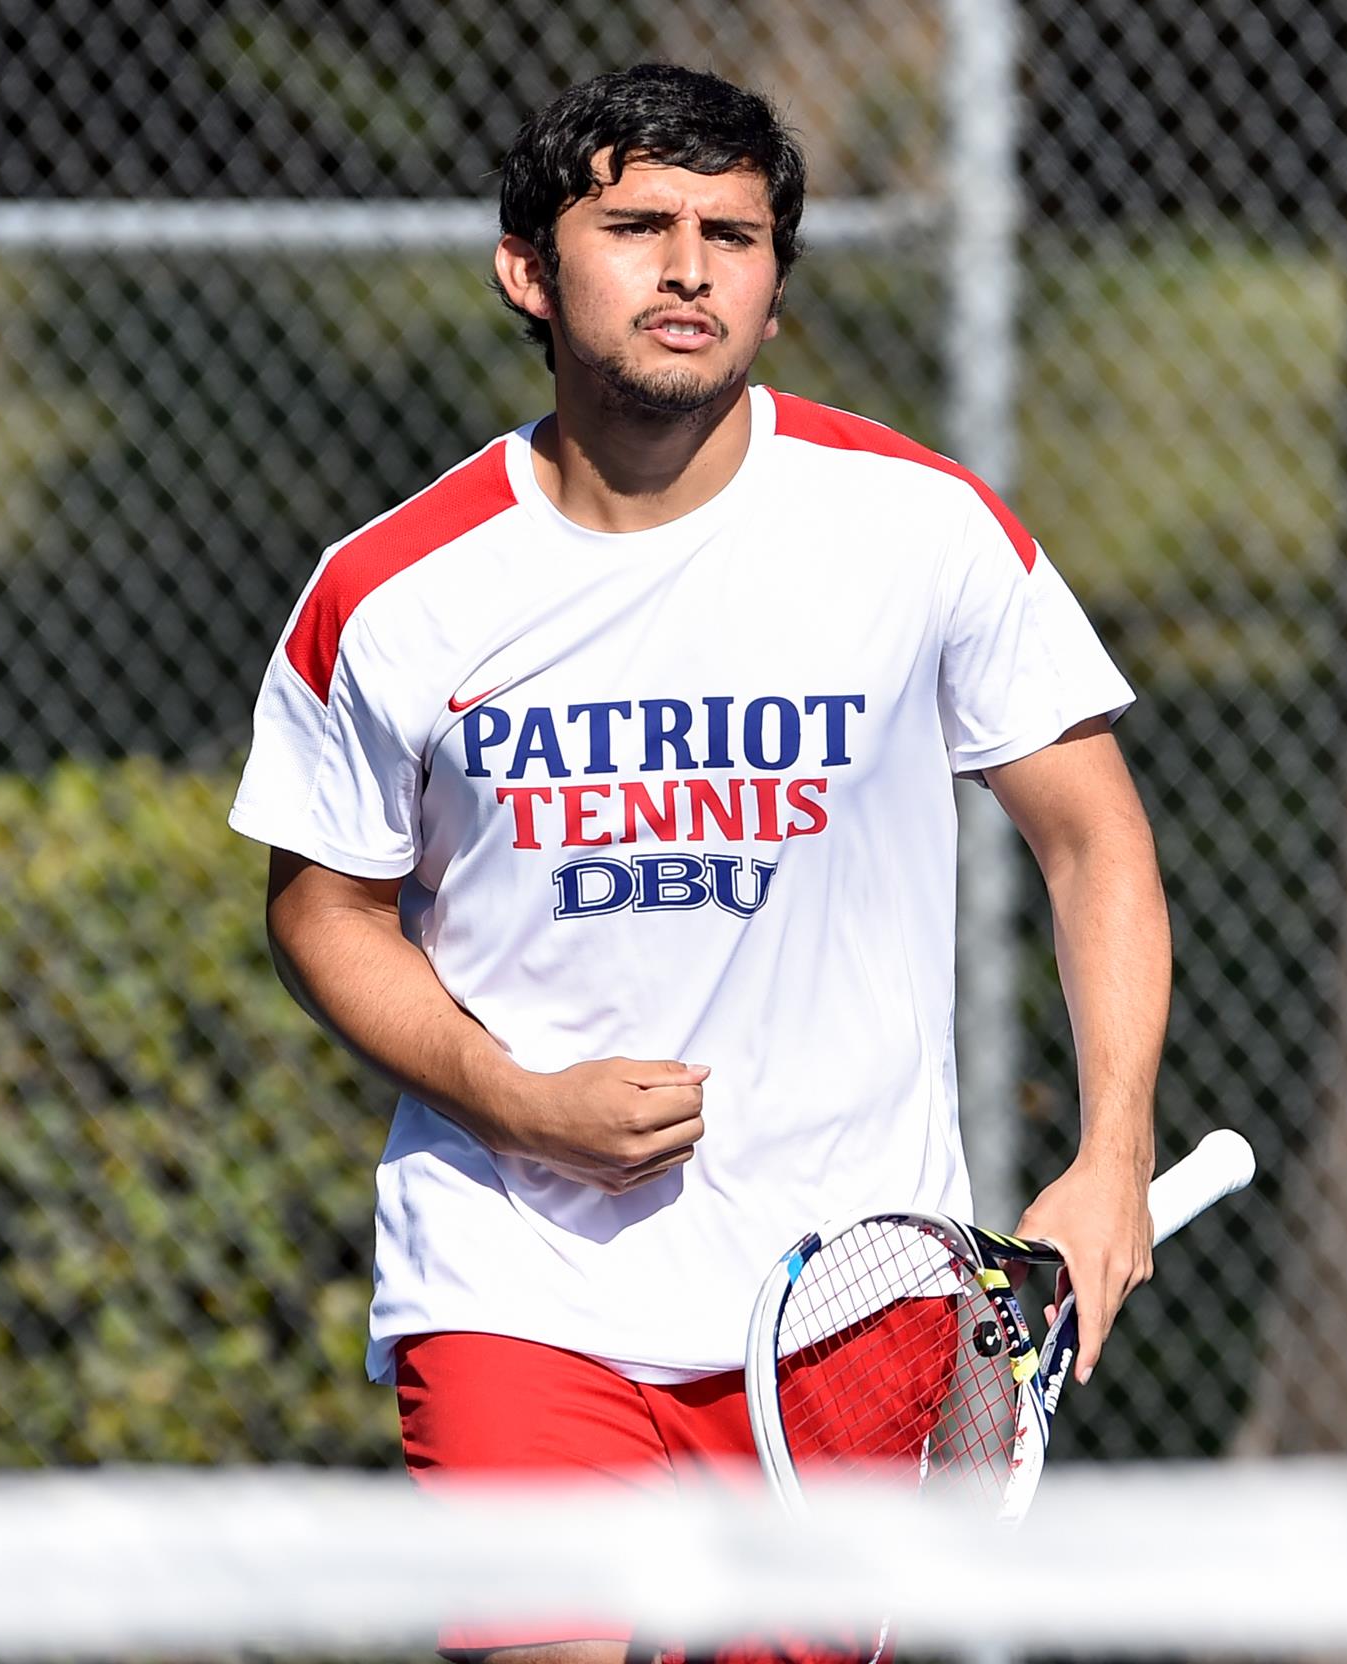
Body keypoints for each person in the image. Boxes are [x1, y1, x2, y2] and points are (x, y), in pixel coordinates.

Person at [229, 61, 1170, 1664]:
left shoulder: (921, 528)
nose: (689, 267)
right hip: (520, 1283)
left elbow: (1096, 845)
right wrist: (518, 1102)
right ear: (530, 268)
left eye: (733, 236)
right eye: (639, 224)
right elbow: (325, 911)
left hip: (854, 1310)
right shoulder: (391, 592)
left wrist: (1111, 1154)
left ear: (776, 294)